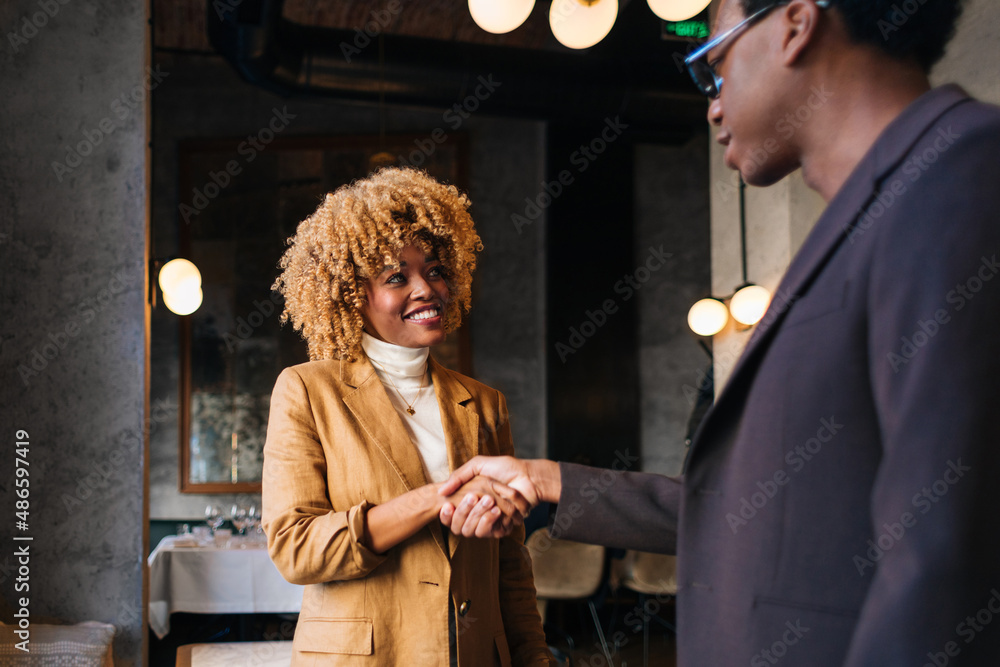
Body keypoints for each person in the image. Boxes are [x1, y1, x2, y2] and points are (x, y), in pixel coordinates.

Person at [440, 0, 1000, 665]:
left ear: (794, 25)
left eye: (713, 66)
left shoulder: (961, 178)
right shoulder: (864, 220)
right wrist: (543, 476)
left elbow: (947, 559)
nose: (711, 104)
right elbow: (745, 507)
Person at [262, 167, 552, 666]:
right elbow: (297, 548)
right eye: (397, 277)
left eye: (435, 270)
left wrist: (535, 659)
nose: (426, 288)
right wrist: (433, 499)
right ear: (354, 295)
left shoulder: (484, 404)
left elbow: (509, 565)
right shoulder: (308, 390)